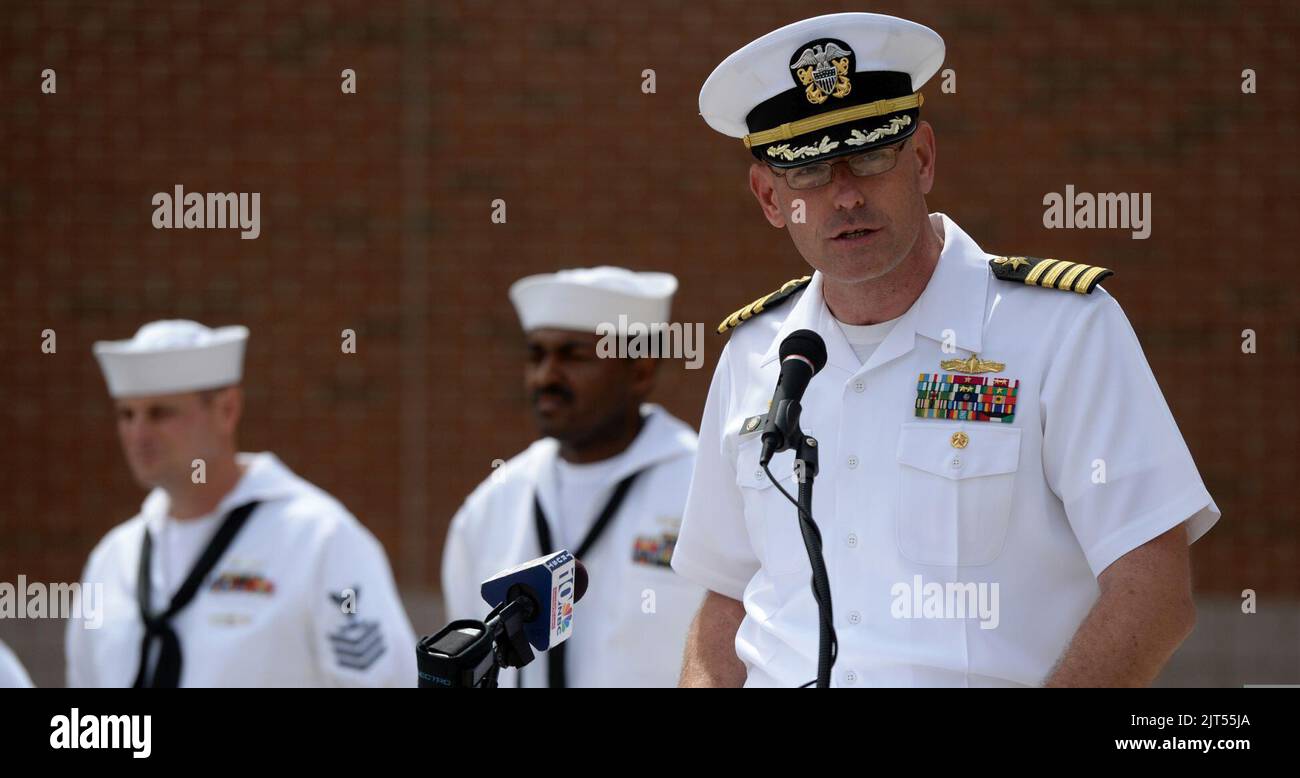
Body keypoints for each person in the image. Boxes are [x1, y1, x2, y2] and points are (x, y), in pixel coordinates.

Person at [673, 12, 1219, 687]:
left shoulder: (1060, 330)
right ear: (769, 197)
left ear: (923, 159)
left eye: (871, 154)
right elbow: (727, 597)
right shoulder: (756, 353)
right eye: (809, 171)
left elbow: (1154, 591)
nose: (844, 195)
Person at [67, 320, 416, 687]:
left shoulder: (319, 540)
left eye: (160, 413)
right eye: (127, 414)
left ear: (227, 410)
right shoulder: (112, 559)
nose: (138, 434)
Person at [442, 267, 703, 687]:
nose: (546, 377)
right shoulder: (493, 503)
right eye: (536, 355)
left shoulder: (704, 487)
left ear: (640, 371)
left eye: (574, 355)